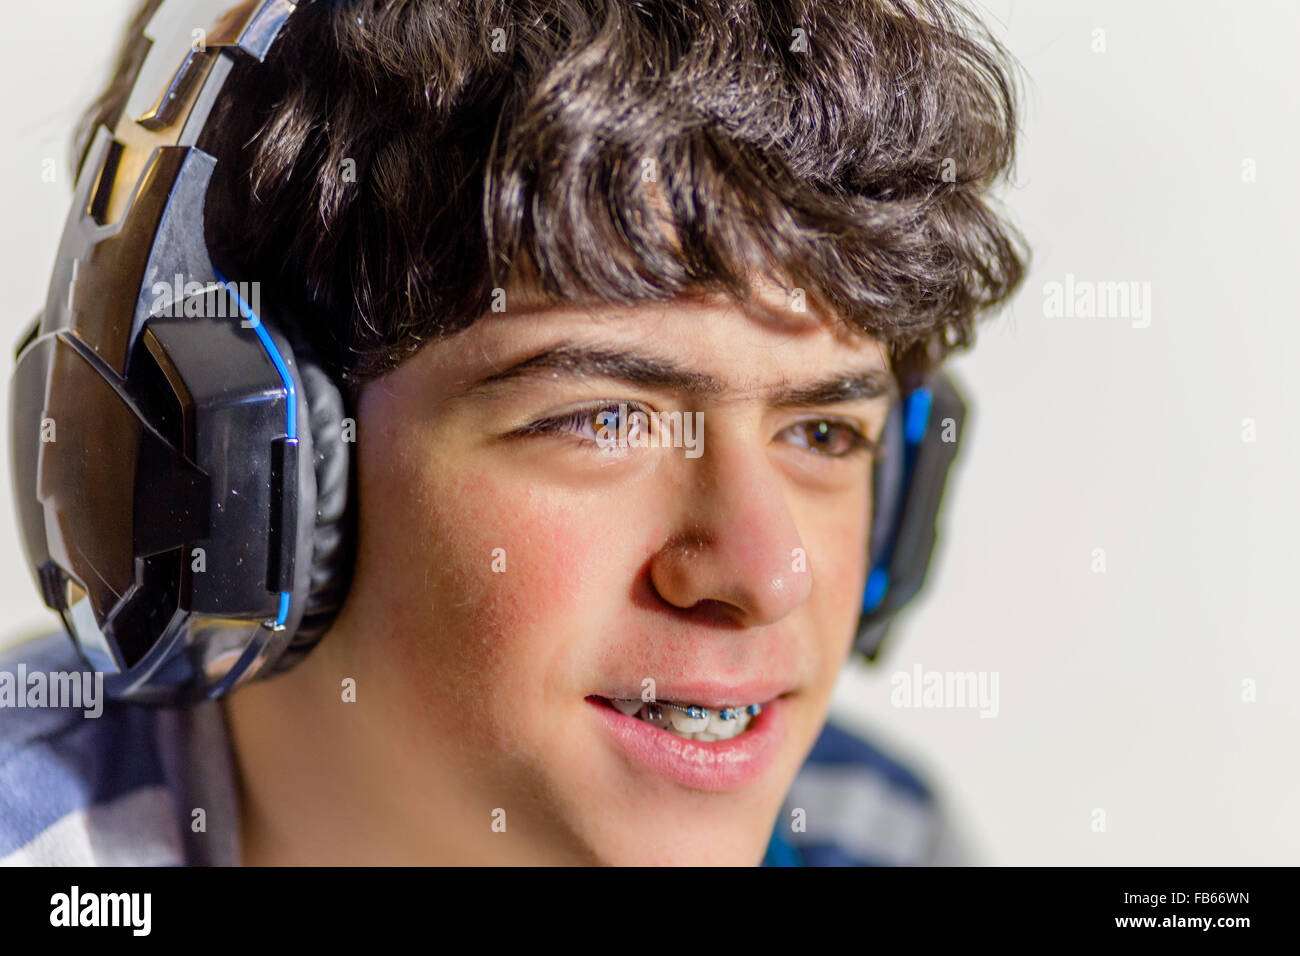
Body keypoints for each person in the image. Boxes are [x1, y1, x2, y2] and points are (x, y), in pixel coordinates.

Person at [0, 0, 1025, 865]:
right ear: (235, 484)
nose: (764, 571)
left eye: (823, 432)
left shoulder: (873, 831)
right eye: (603, 417)